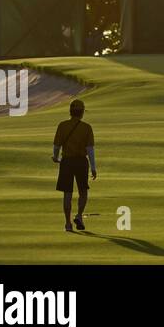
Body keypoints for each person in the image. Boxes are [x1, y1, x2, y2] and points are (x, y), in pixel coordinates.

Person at [52, 98, 96, 232]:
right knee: (83, 191)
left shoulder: (62, 125)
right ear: (82, 112)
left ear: (71, 111)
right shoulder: (86, 128)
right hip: (81, 162)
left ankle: (68, 224)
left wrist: (55, 157)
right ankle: (79, 216)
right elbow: (90, 150)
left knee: (67, 193)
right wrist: (93, 167)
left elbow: (56, 146)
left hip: (67, 161)